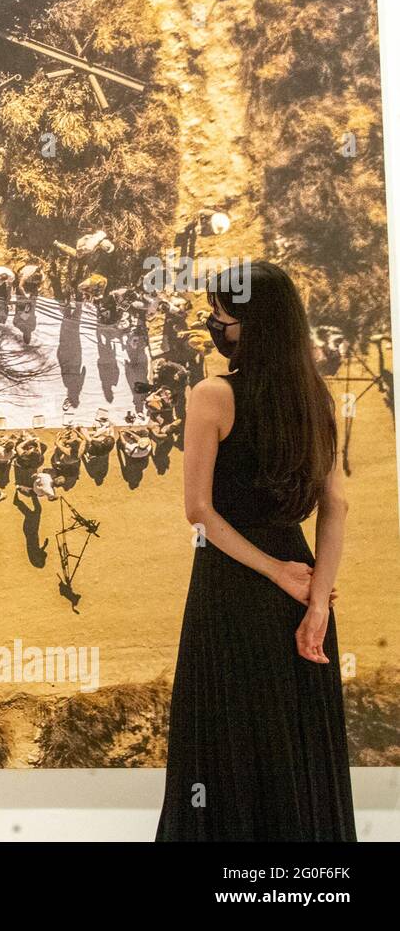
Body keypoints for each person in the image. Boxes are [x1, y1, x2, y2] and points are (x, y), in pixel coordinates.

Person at [158, 262, 353, 841]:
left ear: (254, 325)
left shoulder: (212, 395)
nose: (214, 326)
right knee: (296, 750)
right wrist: (317, 602)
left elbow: (199, 512)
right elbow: (336, 507)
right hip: (301, 594)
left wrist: (277, 574)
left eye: (221, 317)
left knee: (224, 744)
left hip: (231, 588)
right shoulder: (316, 396)